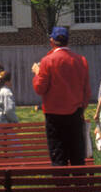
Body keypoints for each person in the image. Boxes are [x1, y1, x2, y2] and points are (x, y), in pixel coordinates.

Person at [31, 26, 90, 166]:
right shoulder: (81, 60)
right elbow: (86, 90)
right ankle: (80, 186)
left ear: (52, 41)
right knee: (77, 155)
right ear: (67, 41)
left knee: (58, 155)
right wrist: (81, 108)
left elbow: (40, 88)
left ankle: (61, 186)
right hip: (75, 113)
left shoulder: (47, 61)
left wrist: (37, 73)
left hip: (54, 115)